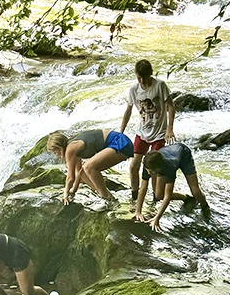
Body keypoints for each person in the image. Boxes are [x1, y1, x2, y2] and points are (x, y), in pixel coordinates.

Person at [119, 59, 176, 204]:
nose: (142, 81)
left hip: (158, 133)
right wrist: (121, 132)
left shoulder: (160, 86)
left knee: (153, 167)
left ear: (150, 74)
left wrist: (170, 129)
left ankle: (154, 198)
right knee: (133, 166)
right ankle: (134, 196)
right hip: (142, 133)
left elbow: (170, 106)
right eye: (139, 78)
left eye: (144, 77)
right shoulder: (134, 90)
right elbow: (128, 110)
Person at [134, 142, 210, 232]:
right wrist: (138, 211)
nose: (149, 174)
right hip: (169, 156)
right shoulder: (147, 164)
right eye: (148, 171)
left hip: (184, 155)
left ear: (157, 170)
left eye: (151, 172)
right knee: (158, 195)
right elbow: (143, 188)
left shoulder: (169, 167)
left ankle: (205, 206)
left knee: (195, 191)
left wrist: (157, 218)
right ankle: (187, 198)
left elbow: (168, 195)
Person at [46, 128, 133, 205]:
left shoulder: (70, 149)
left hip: (120, 142)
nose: (56, 155)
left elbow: (70, 177)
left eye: (55, 152)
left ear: (60, 147)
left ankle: (105, 198)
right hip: (116, 144)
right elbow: (78, 173)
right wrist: (72, 190)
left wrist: (65, 193)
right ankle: (108, 196)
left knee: (88, 166)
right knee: (83, 172)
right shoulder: (73, 147)